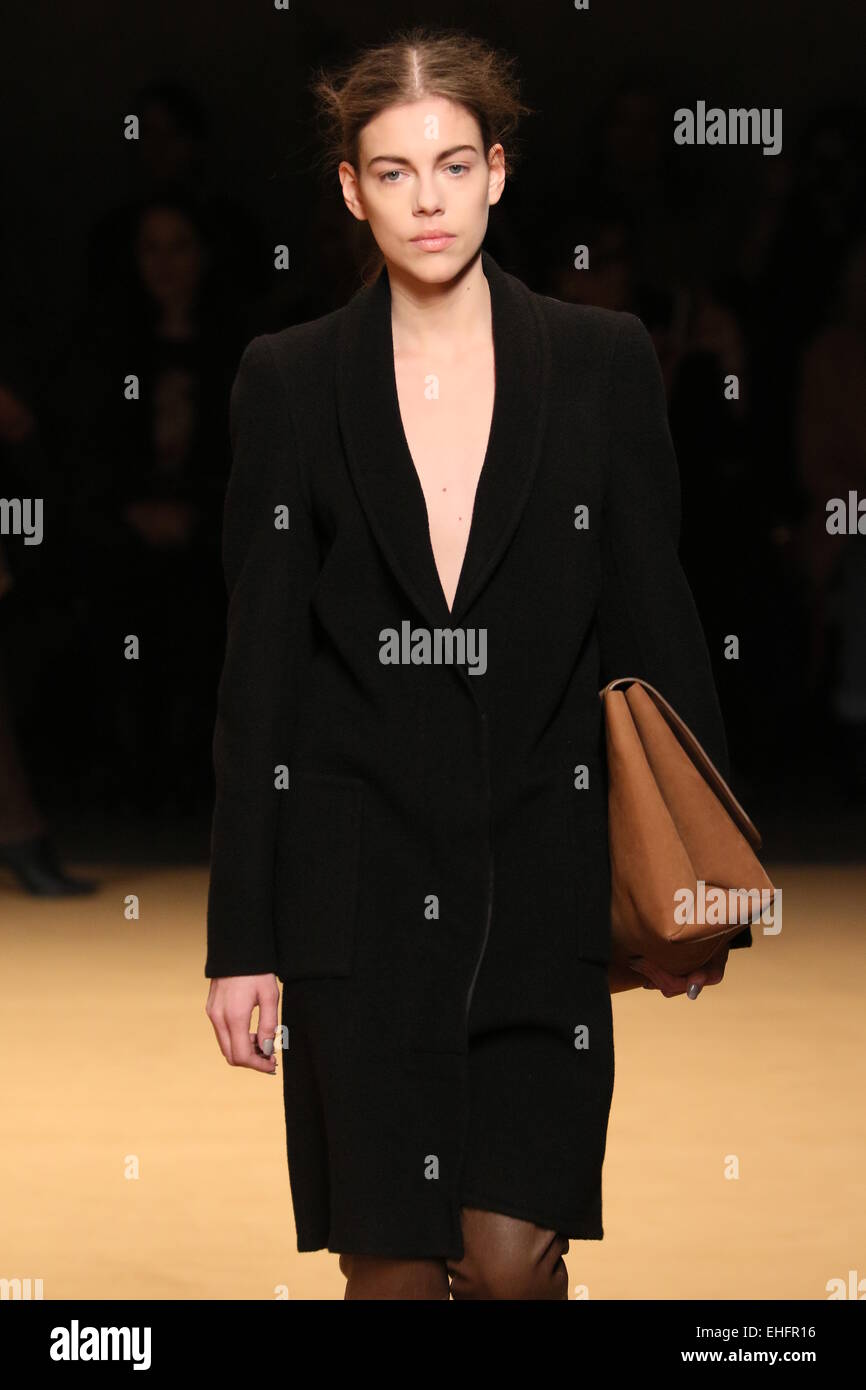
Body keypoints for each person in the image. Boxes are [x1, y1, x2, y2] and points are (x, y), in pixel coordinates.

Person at [204, 26, 751, 1301]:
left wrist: (704, 882)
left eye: (452, 164)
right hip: (357, 891)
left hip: (540, 875)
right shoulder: (287, 382)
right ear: (350, 191)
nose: (427, 198)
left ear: (498, 173)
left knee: (510, 1266)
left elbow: (656, 623)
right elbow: (259, 669)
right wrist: (242, 937)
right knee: (393, 1277)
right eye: (392, 172)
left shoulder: (598, 362)